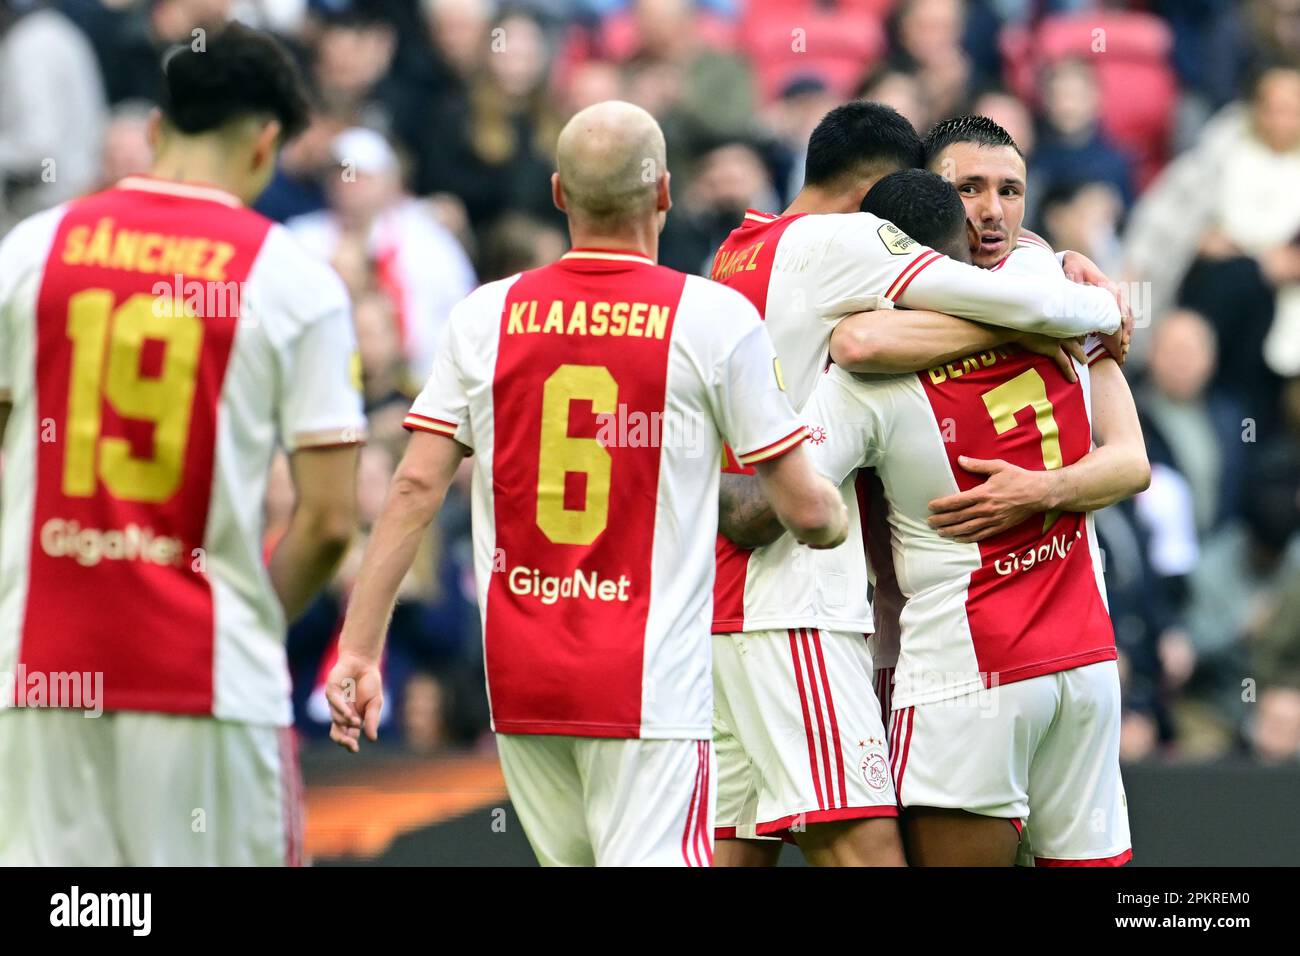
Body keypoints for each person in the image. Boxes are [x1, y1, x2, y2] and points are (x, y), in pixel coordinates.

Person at [324, 100, 849, 867]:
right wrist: (839, 492)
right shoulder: (711, 317)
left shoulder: (485, 315)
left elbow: (411, 489)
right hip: (648, 690)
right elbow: (810, 512)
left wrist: (359, 650)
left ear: (559, 193)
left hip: (524, 682)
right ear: (664, 193)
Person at [706, 102, 1126, 867]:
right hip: (801, 604)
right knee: (865, 850)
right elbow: (869, 339)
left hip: (745, 608)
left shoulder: (737, 251)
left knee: (735, 848)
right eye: (964, 191)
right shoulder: (848, 247)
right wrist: (1094, 311)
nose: (985, 216)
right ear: (882, 193)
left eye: (1009, 192)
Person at [0, 22, 365, 865]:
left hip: (39, 670)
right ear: (268, 141)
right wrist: (250, 623)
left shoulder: (32, 248)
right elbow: (329, 523)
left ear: (158, 129)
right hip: (203, 680)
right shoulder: (291, 276)